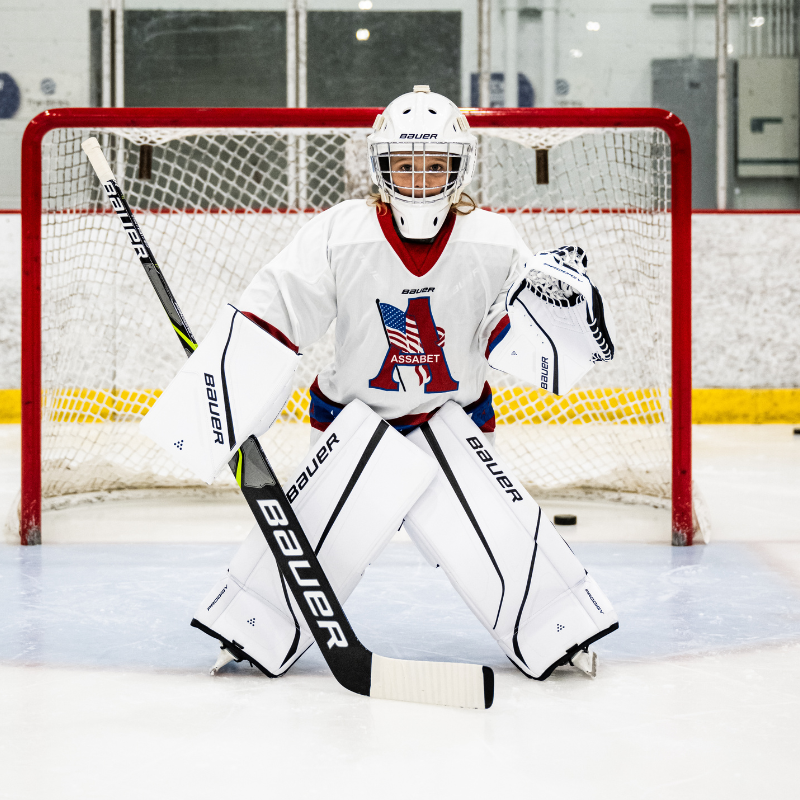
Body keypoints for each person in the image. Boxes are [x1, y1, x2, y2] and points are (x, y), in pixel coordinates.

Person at [144, 86, 619, 681]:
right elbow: (275, 314)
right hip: (356, 424)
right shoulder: (340, 234)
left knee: (507, 535)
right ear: (380, 165)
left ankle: (560, 632)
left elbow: (513, 338)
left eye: (434, 164)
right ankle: (250, 629)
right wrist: (217, 404)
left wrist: (553, 321)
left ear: (459, 166)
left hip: (452, 423)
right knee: (307, 542)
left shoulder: (495, 241)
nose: (419, 179)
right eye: (405, 164)